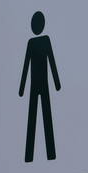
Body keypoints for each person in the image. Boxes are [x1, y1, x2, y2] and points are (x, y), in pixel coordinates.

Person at [19, 11, 61, 162]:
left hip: (41, 84)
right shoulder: (33, 42)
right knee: (36, 116)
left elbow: (51, 61)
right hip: (37, 84)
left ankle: (48, 154)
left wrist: (57, 82)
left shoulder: (43, 41)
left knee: (43, 115)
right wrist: (22, 87)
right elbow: (26, 65)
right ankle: (31, 155)